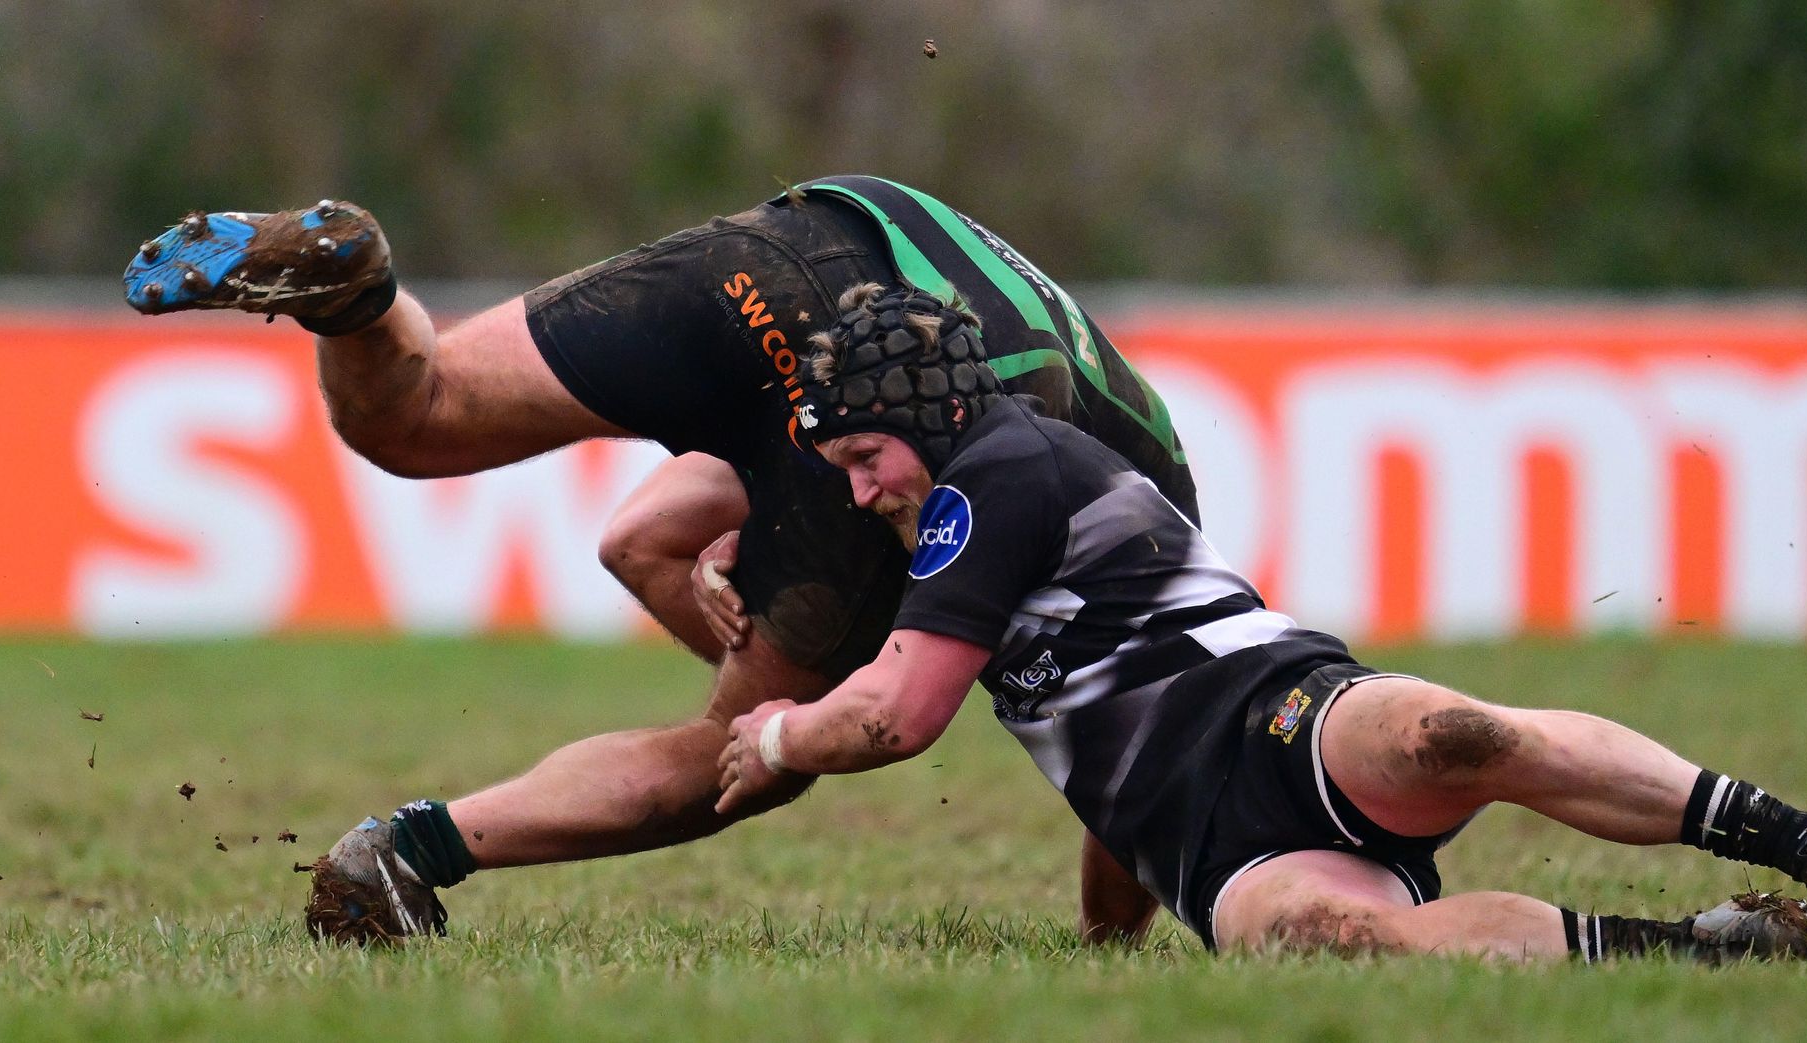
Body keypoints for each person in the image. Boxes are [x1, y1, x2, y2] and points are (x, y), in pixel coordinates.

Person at [714, 284, 1807, 960]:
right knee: (1316, 936)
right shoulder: (952, 508)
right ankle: (1699, 949)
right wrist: (1109, 918)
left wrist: (772, 735)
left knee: (1444, 735)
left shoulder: (996, 473)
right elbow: (1105, 738)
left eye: (865, 457)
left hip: (1276, 716)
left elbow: (896, 714)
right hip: (1199, 842)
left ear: (923, 417)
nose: (861, 487)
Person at [121, 178, 1198, 942]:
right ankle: (409, 851)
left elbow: (637, 536)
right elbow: (1132, 780)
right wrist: (1108, 946)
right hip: (940, 362)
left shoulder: (957, 433)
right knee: (735, 756)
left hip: (804, 245)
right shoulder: (1135, 518)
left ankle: (355, 295)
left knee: (419, 412)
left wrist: (759, 551)